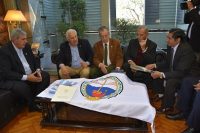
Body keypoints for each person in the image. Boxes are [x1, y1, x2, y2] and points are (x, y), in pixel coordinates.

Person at [146, 28, 196, 114]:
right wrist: (154, 65)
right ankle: (161, 94)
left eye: (169, 38)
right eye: (167, 37)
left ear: (178, 40)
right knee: (155, 70)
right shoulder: (170, 46)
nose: (167, 40)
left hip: (187, 75)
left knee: (171, 81)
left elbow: (181, 72)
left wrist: (161, 74)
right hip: (176, 70)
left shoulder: (186, 50)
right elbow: (168, 62)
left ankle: (167, 107)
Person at [0, 28, 50, 111]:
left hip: (29, 73)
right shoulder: (4, 51)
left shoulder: (26, 46)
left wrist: (38, 70)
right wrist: (27, 77)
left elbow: (35, 59)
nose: (26, 41)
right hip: (14, 78)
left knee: (45, 76)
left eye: (26, 39)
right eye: (23, 39)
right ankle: (32, 106)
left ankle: (37, 100)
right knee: (23, 87)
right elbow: (7, 73)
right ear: (15, 40)